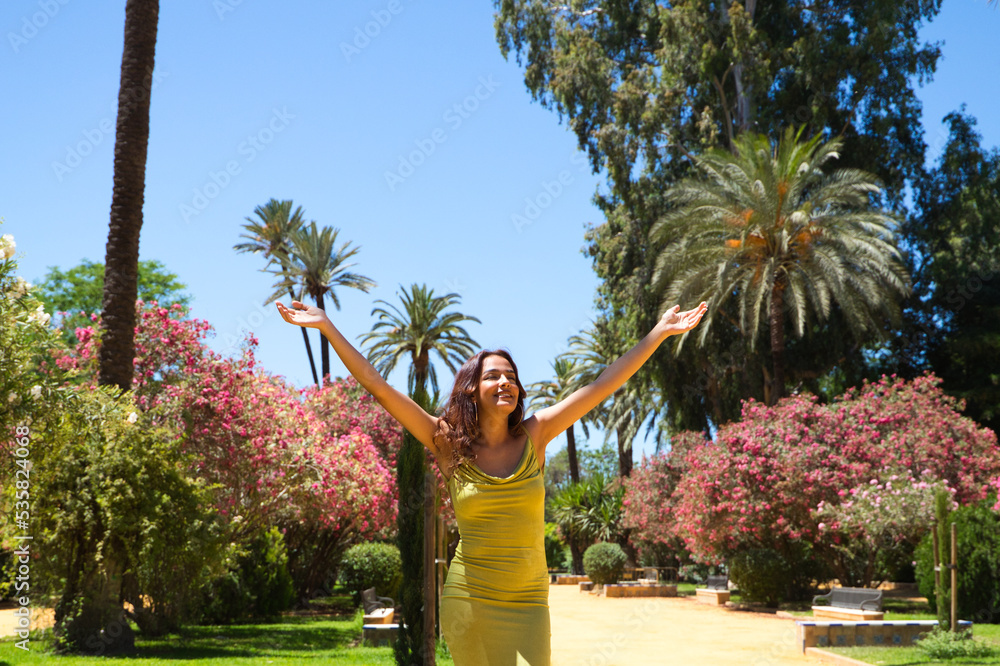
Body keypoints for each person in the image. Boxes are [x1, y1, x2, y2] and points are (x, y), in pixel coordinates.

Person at [276, 298, 707, 665]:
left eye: (512, 376)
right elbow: (381, 389)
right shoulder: (447, 444)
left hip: (530, 600)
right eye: (493, 376)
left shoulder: (537, 434)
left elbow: (599, 386)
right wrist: (327, 327)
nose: (506, 382)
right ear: (471, 390)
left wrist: (658, 334)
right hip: (471, 597)